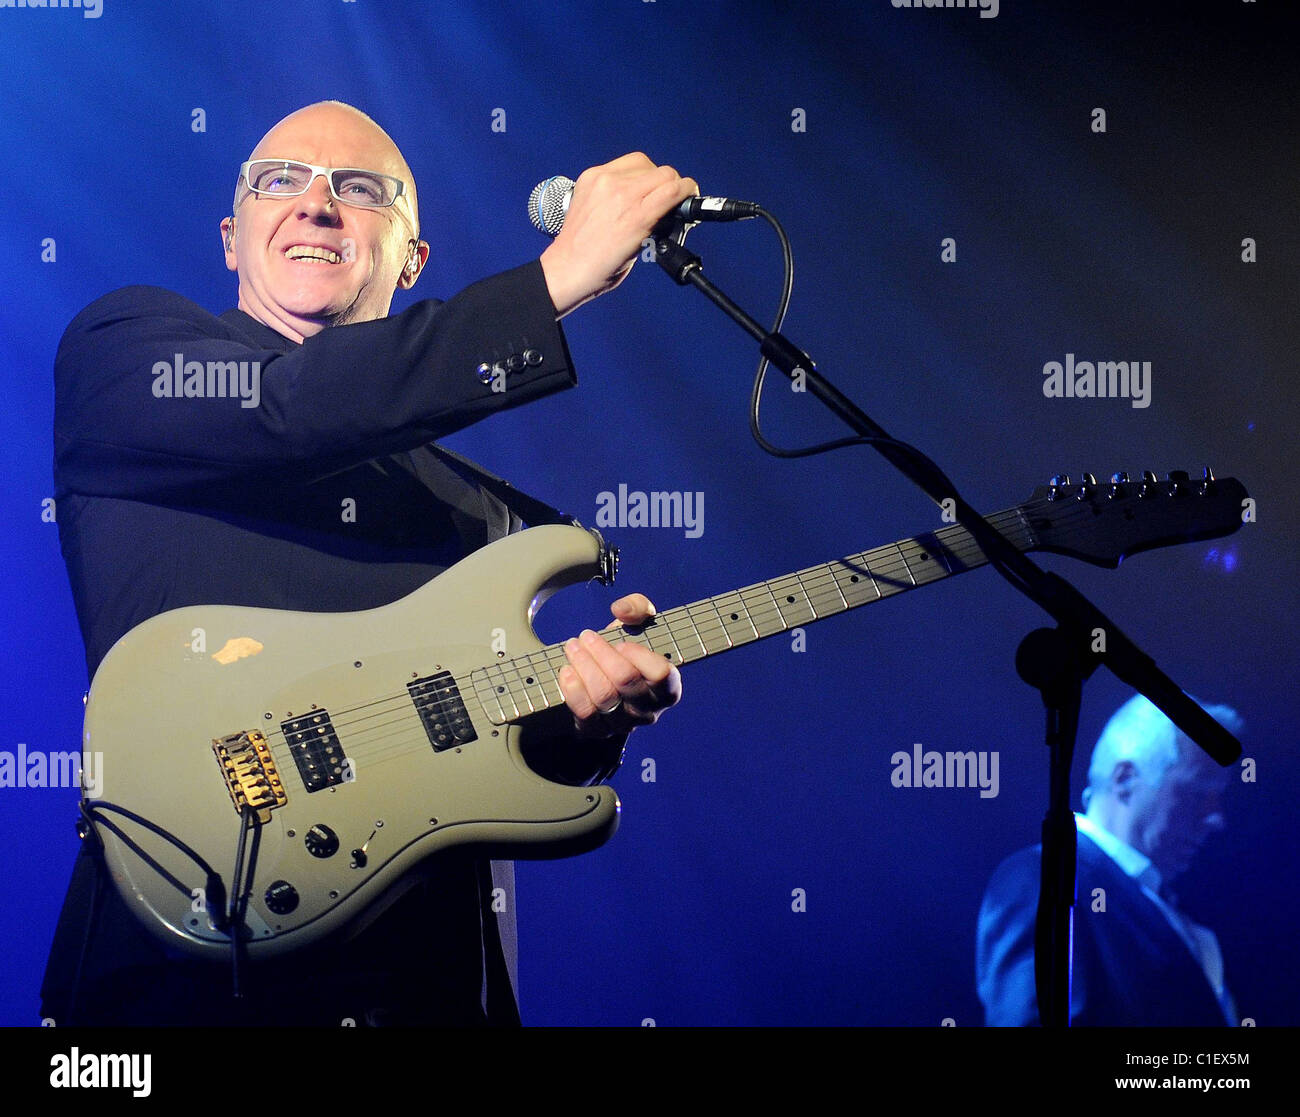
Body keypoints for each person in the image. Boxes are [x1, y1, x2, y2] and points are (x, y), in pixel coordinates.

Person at [41, 101, 696, 1026]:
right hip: (186, 971)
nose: (316, 205)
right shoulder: (129, 354)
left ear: (411, 260)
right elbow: (288, 408)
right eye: (281, 181)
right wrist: (547, 284)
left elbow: (478, 752)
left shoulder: (488, 516)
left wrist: (591, 714)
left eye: (360, 190)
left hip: (424, 984)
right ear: (233, 239)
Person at [976, 693, 1242, 1026]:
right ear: (1125, 779)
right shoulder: (1043, 877)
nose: (1216, 817)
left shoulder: (1168, 905)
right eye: (1199, 792)